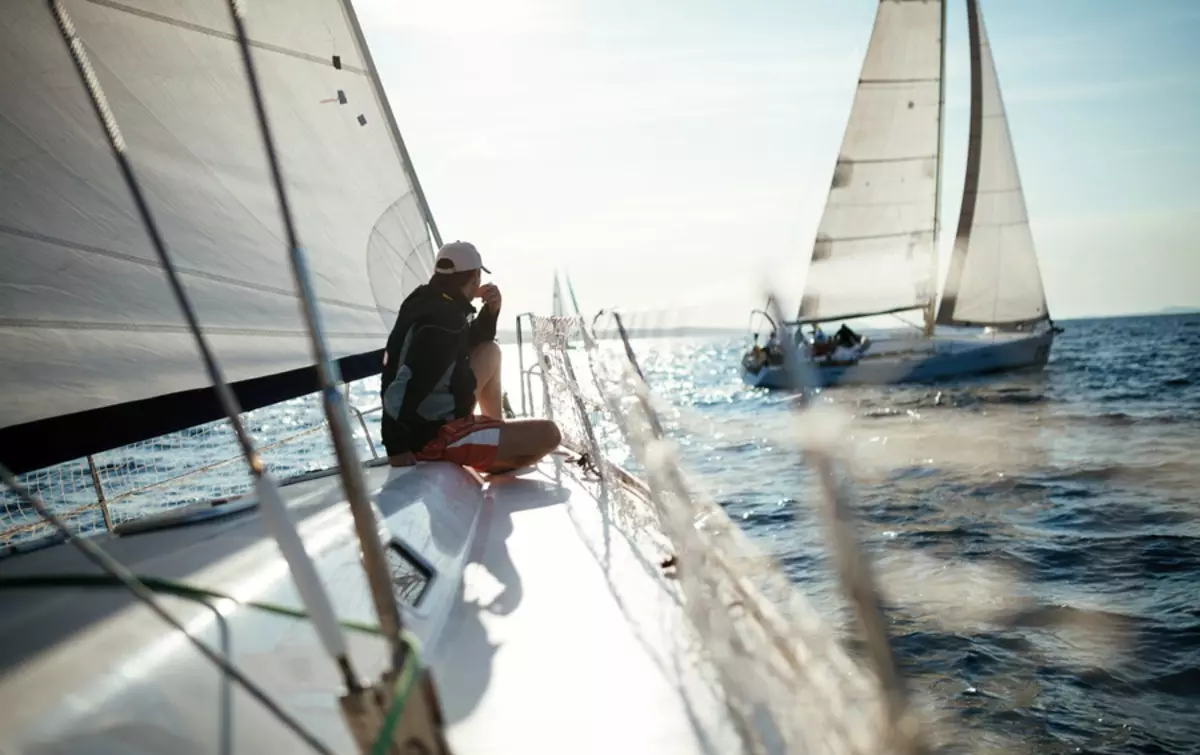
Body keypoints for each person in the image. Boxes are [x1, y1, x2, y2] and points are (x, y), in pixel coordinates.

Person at [380, 241, 561, 474]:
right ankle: (498, 453)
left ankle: (495, 431)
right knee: (550, 434)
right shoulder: (443, 322)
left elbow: (469, 339)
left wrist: (490, 311)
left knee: (490, 351)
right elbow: (401, 389)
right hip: (435, 436)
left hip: (436, 415)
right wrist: (396, 448)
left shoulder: (426, 300)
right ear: (475, 278)